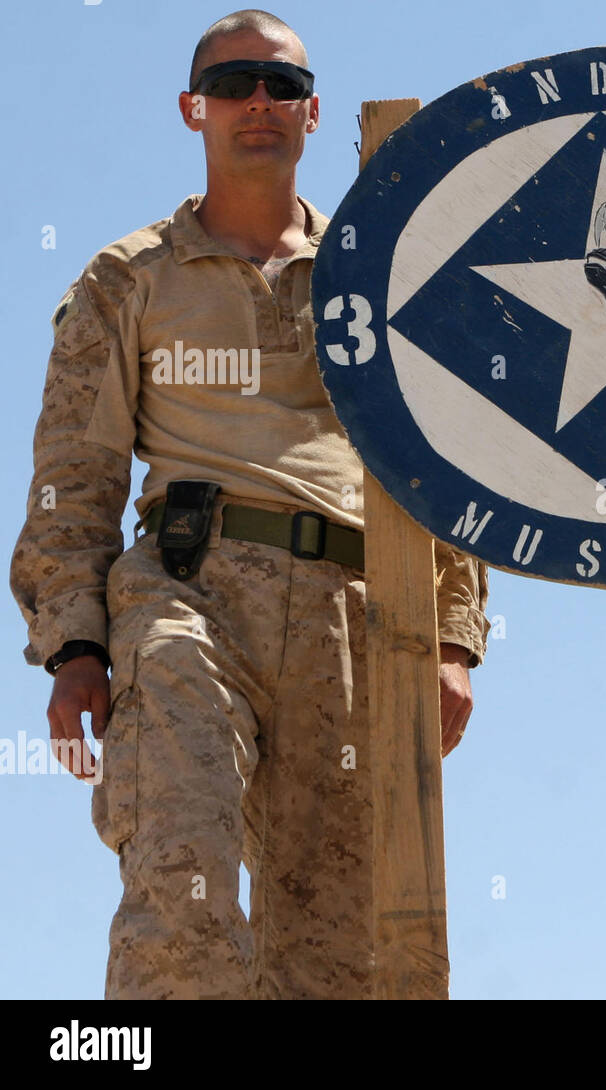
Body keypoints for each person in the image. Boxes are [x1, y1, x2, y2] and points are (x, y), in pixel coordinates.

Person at [10, 9, 490, 999]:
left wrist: (450, 636)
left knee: (339, 941)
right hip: (188, 594)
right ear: (194, 109)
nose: (259, 104)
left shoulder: (377, 281)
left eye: (283, 87)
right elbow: (73, 477)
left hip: (353, 615)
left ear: (313, 113)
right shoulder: (127, 280)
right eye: (233, 86)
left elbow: (438, 460)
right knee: (180, 876)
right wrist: (74, 645)